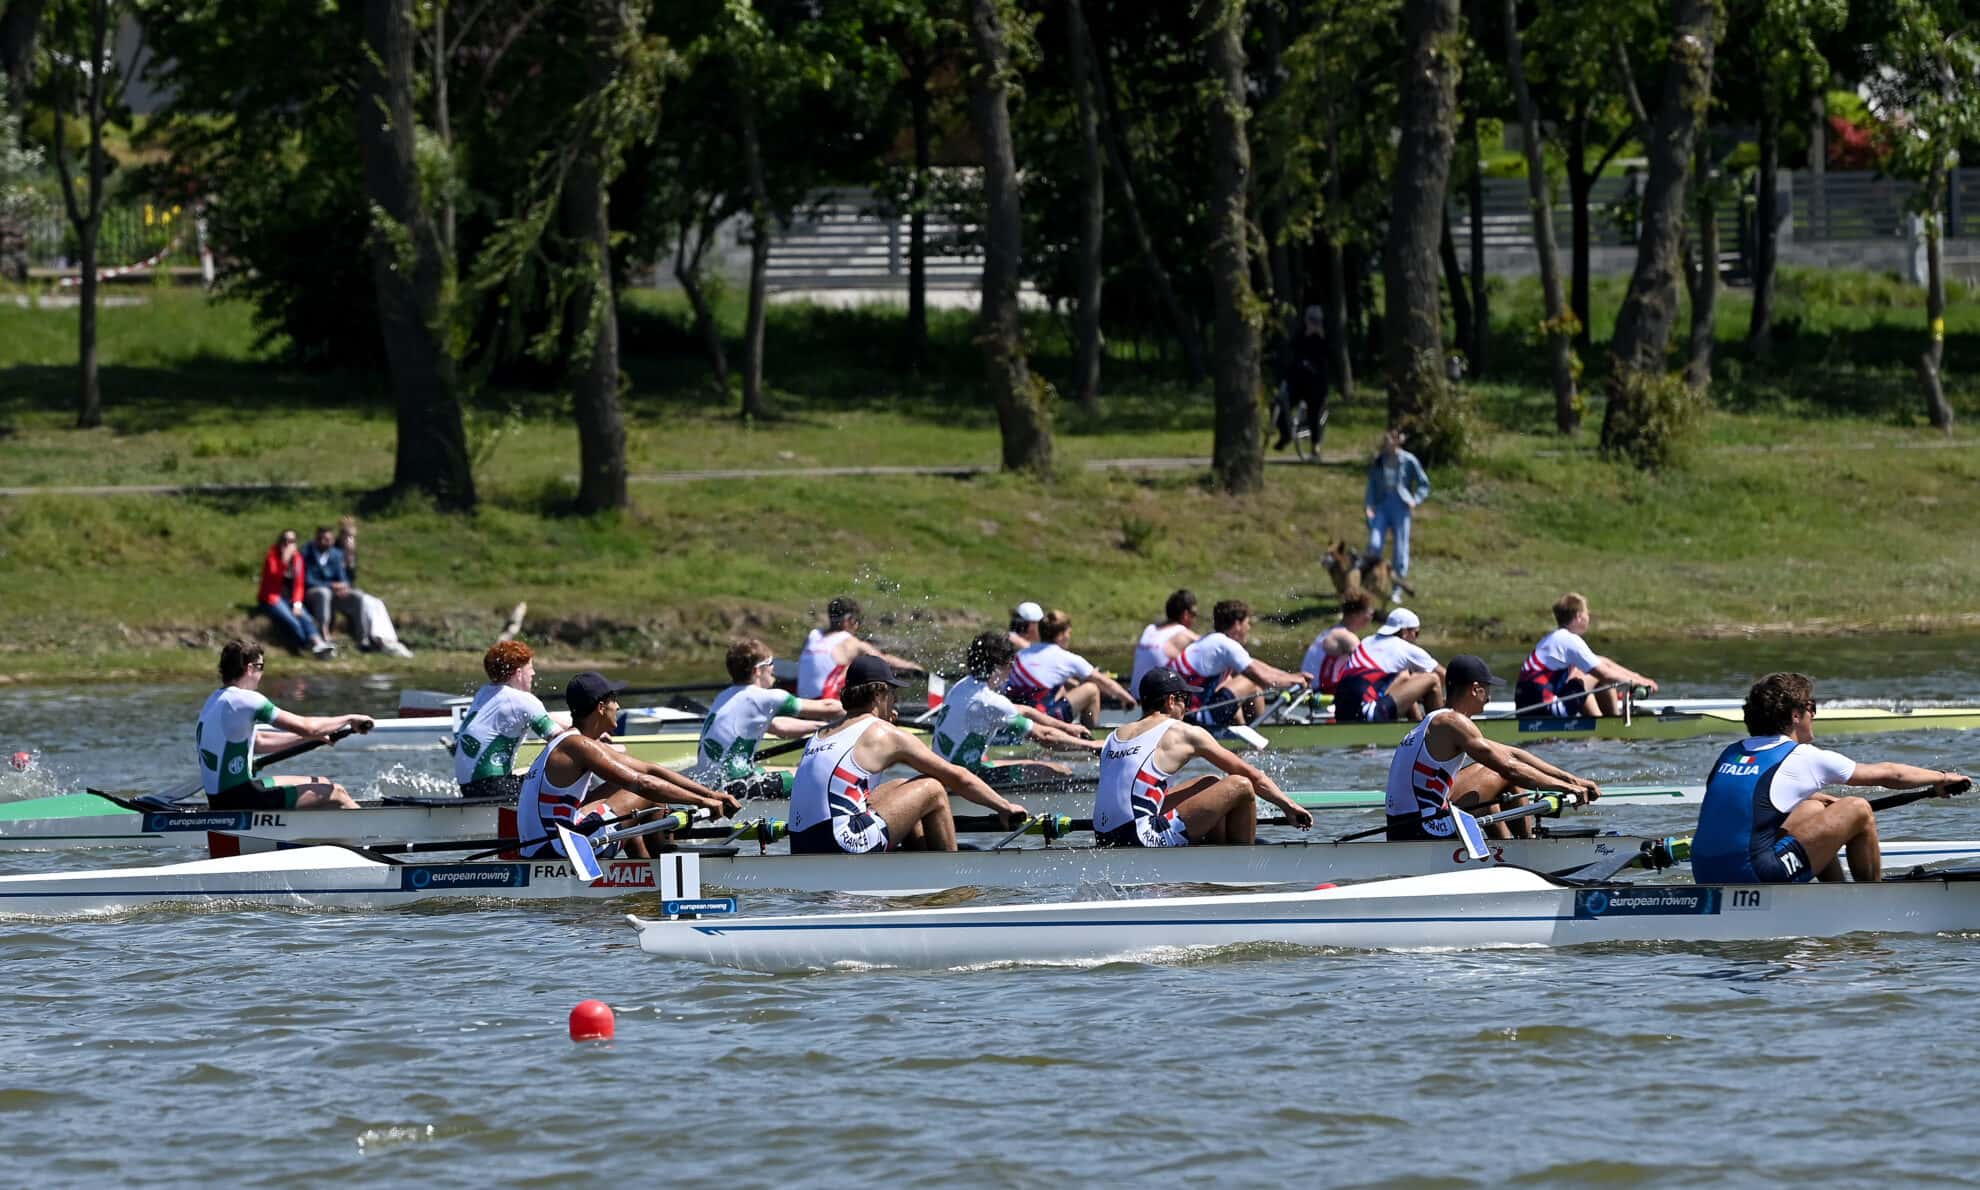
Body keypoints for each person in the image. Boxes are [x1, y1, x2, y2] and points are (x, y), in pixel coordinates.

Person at [1692, 673, 1966, 884]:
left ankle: (1834, 893)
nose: (1814, 714)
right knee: (1857, 808)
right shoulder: (1803, 757)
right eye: (1811, 707)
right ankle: (1871, 897)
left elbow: (1745, 803)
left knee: (1813, 808)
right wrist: (1941, 777)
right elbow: (1890, 774)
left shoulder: (1731, 753)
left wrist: (1809, 797)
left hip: (1704, 872)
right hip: (1757, 874)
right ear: (1796, 715)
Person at [788, 655, 1028, 854]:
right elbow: (957, 777)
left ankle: (920, 859)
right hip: (843, 844)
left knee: (901, 785)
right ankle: (950, 879)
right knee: (933, 788)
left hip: (801, 846)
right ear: (878, 694)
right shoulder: (884, 732)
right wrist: (1004, 807)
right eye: (893, 695)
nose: (895, 702)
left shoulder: (822, 733)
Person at [518, 672, 740, 861]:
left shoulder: (571, 740)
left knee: (622, 789)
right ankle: (663, 867)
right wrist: (701, 802)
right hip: (558, 851)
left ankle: (644, 867)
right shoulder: (579, 745)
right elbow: (643, 783)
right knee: (649, 795)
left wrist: (712, 794)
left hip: (542, 846)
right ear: (601, 707)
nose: (619, 706)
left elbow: (650, 769)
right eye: (614, 700)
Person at [1383, 655, 1602, 842]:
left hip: (1402, 829)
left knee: (1488, 789)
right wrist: (1564, 789)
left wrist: (1571, 780)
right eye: (1487, 691)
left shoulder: (1438, 719)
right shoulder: (1453, 723)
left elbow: (1515, 754)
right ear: (1475, 689)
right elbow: (1510, 769)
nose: (1489, 698)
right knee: (1500, 774)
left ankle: (1506, 849)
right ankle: (1528, 848)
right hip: (1422, 831)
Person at [1094, 668, 1315, 847]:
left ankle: (1215, 851)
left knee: (1209, 784)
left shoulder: (1115, 735)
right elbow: (1252, 775)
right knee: (1241, 785)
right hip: (1142, 838)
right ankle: (1242, 867)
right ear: (1171, 701)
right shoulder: (1183, 731)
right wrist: (1289, 806)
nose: (1188, 708)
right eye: (1186, 700)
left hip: (1105, 839)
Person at [194, 639, 372, 809]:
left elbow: (260, 742)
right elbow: (307, 726)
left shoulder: (215, 700)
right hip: (241, 799)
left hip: (224, 797)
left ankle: (318, 836)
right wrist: (349, 719)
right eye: (261, 667)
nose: (262, 674)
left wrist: (311, 737)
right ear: (250, 668)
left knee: (322, 782)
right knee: (337, 792)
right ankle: (371, 838)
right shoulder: (246, 699)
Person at [933, 632, 1100, 783]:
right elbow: (1045, 736)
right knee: (1056, 771)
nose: (1011, 671)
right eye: (1010, 665)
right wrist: (1091, 746)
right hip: (962, 780)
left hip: (948, 770)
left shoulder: (964, 685)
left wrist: (1066, 727)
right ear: (998, 667)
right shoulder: (990, 701)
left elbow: (1023, 710)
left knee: (1035, 765)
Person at [690, 638, 843, 799]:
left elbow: (778, 727)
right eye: (770, 662)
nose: (773, 667)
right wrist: (863, 707)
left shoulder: (725, 696)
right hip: (732, 787)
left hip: (709, 783)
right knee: (816, 776)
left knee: (762, 771)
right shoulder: (766, 698)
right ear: (757, 670)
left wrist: (822, 727)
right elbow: (828, 708)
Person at [1166, 599, 1310, 729]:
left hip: (1184, 713)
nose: (1249, 628)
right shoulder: (1225, 645)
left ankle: (1242, 728)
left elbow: (1258, 665)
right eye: (1248, 623)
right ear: (1237, 624)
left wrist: (1293, 676)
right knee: (1250, 682)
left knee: (1234, 682)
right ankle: (1258, 734)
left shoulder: (1213, 641)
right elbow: (1262, 678)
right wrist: (1294, 682)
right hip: (1196, 717)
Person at [1515, 593, 1659, 718]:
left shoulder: (1552, 639)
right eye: (1587, 613)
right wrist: (1635, 683)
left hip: (1526, 710)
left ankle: (1598, 720)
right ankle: (1611, 723)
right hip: (1546, 711)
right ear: (1579, 617)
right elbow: (1605, 674)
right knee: (1597, 675)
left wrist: (1637, 677)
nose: (1588, 617)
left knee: (1588, 670)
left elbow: (1602, 662)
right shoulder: (1569, 640)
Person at [454, 641, 559, 799]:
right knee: (566, 774)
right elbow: (561, 741)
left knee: (526, 771)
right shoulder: (522, 700)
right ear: (518, 673)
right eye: (530, 668)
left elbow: (544, 718)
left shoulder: (485, 692)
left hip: (468, 787)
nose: (534, 673)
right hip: (496, 788)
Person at [1006, 610, 1136, 730]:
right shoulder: (1067, 658)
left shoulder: (1021, 654)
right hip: (1042, 719)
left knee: (1061, 689)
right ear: (1061, 636)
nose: (1069, 637)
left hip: (1016, 715)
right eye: (1069, 633)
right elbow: (1105, 683)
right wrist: (1128, 699)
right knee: (1091, 688)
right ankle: (1091, 736)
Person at [302, 525, 413, 658]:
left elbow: (344, 577)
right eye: (321, 539)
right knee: (324, 593)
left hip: (336, 593)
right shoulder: (307, 552)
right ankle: (324, 635)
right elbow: (307, 579)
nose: (325, 542)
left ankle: (363, 639)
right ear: (316, 538)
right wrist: (331, 585)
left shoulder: (336, 554)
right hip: (316, 591)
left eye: (328, 539)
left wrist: (344, 586)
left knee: (358, 596)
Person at [797, 596, 922, 700]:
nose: (857, 625)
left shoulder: (813, 636)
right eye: (857, 621)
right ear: (849, 620)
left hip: (804, 705)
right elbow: (884, 660)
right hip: (828, 707)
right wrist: (916, 669)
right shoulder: (851, 643)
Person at [1334, 607, 1444, 723]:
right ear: (1405, 632)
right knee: (1432, 679)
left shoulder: (1366, 641)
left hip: (1341, 713)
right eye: (1416, 633)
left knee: (1405, 677)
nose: (1416, 639)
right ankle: (1441, 736)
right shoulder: (1402, 647)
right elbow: (1444, 675)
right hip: (1368, 713)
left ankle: (1417, 731)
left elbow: (1404, 682)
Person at [1364, 428, 1431, 581]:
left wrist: (1415, 499)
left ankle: (1398, 584)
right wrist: (1369, 505)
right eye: (1387, 438)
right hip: (1382, 504)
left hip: (1400, 505)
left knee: (1400, 546)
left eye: (1392, 438)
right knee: (1375, 543)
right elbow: (1372, 485)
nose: (1389, 441)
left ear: (1399, 440)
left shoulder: (1408, 460)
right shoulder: (1379, 460)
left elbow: (1424, 484)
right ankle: (1372, 578)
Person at [257, 530, 334, 657]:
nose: (288, 544)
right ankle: (306, 645)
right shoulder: (272, 555)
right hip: (271, 598)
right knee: (292, 621)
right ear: (280, 542)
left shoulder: (298, 558)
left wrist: (297, 604)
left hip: (289, 598)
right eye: (285, 540)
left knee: (306, 618)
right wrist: (284, 560)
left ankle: (318, 642)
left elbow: (299, 584)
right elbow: (273, 576)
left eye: (291, 541)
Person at [1274, 305, 1330, 455]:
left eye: (1316, 320)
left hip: (1316, 384)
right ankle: (1285, 434)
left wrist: (1322, 337)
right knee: (1279, 404)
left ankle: (1315, 445)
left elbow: (1330, 356)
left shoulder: (1325, 337)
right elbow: (1292, 349)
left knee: (1314, 412)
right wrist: (1306, 335)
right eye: (1311, 320)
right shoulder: (1300, 335)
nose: (1313, 323)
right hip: (1298, 382)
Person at [1300, 594, 1374, 696]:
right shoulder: (1346, 637)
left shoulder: (1332, 631)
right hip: (1320, 692)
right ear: (1355, 615)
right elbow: (1369, 666)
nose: (1370, 618)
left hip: (1308, 688)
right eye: (1369, 614)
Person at [1129, 589, 1200, 697]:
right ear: (1186, 614)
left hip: (1135, 697)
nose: (1195, 619)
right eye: (1194, 614)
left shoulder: (1150, 629)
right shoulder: (1185, 635)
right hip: (1156, 705)